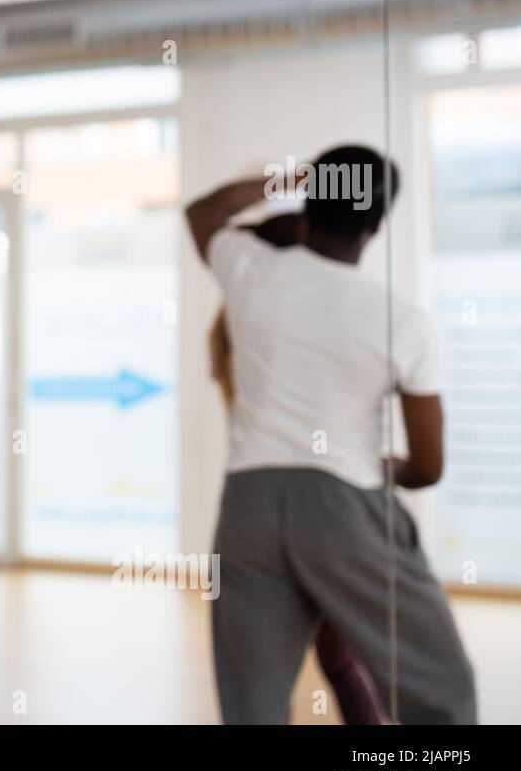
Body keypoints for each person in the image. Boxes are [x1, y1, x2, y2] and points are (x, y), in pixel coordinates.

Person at [185, 144, 476, 724]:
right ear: (374, 225)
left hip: (248, 509)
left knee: (253, 707)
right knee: (441, 690)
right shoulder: (403, 321)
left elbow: (203, 212)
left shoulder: (250, 271)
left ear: (309, 203)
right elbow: (429, 465)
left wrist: (295, 176)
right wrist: (384, 467)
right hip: (344, 507)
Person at [207, 213, 384, 725]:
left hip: (261, 509)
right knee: (337, 655)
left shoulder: (239, 322)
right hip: (328, 507)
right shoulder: (302, 319)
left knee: (270, 676)